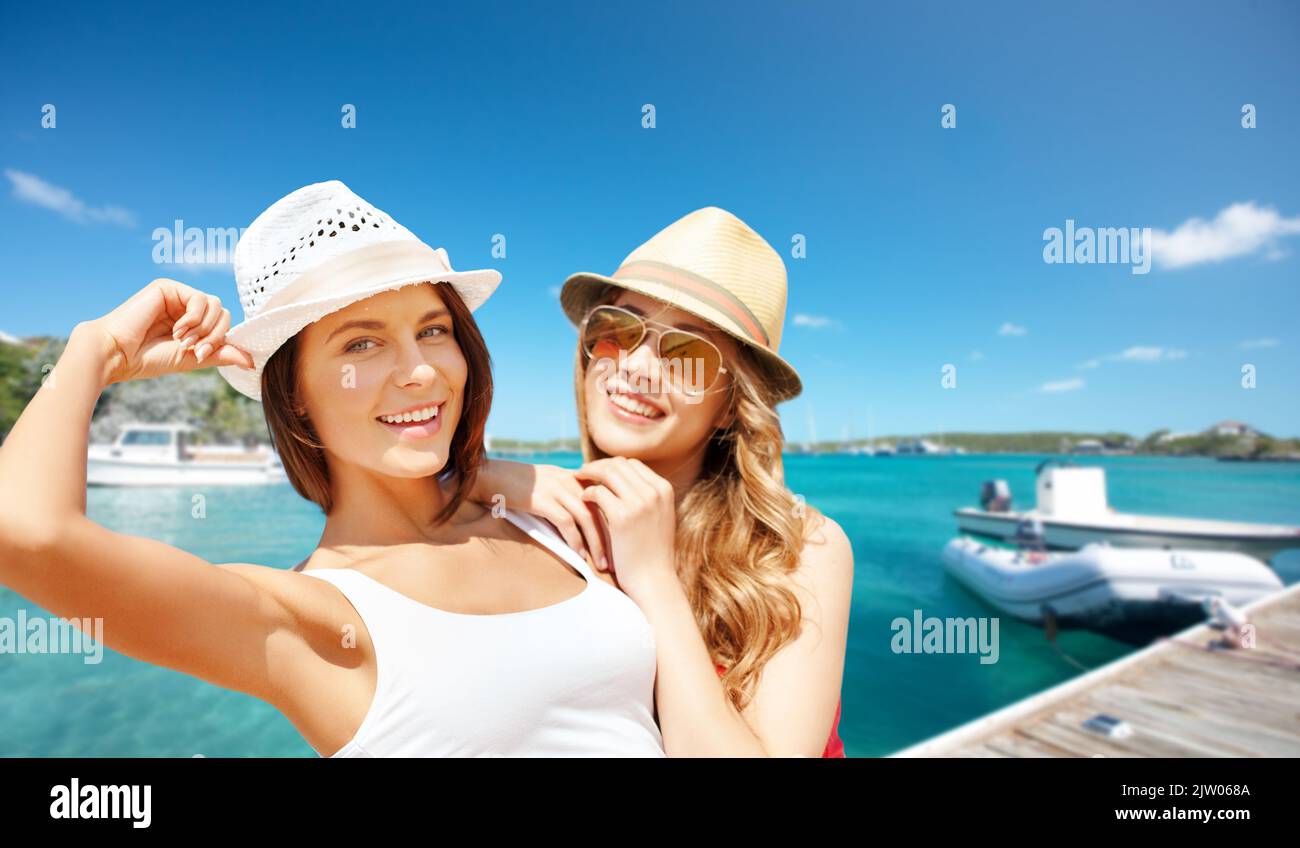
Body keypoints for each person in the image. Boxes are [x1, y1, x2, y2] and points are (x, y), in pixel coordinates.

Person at [0, 180, 664, 758]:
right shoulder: (305, 618)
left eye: (434, 330)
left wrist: (487, 476)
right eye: (363, 343)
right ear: (293, 394)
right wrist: (95, 351)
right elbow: (26, 534)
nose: (422, 370)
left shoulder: (546, 518)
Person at [476, 207, 854, 757]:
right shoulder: (534, 515)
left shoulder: (799, 551)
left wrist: (654, 579)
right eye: (617, 331)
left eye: (688, 355)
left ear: (730, 407)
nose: (637, 367)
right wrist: (473, 475)